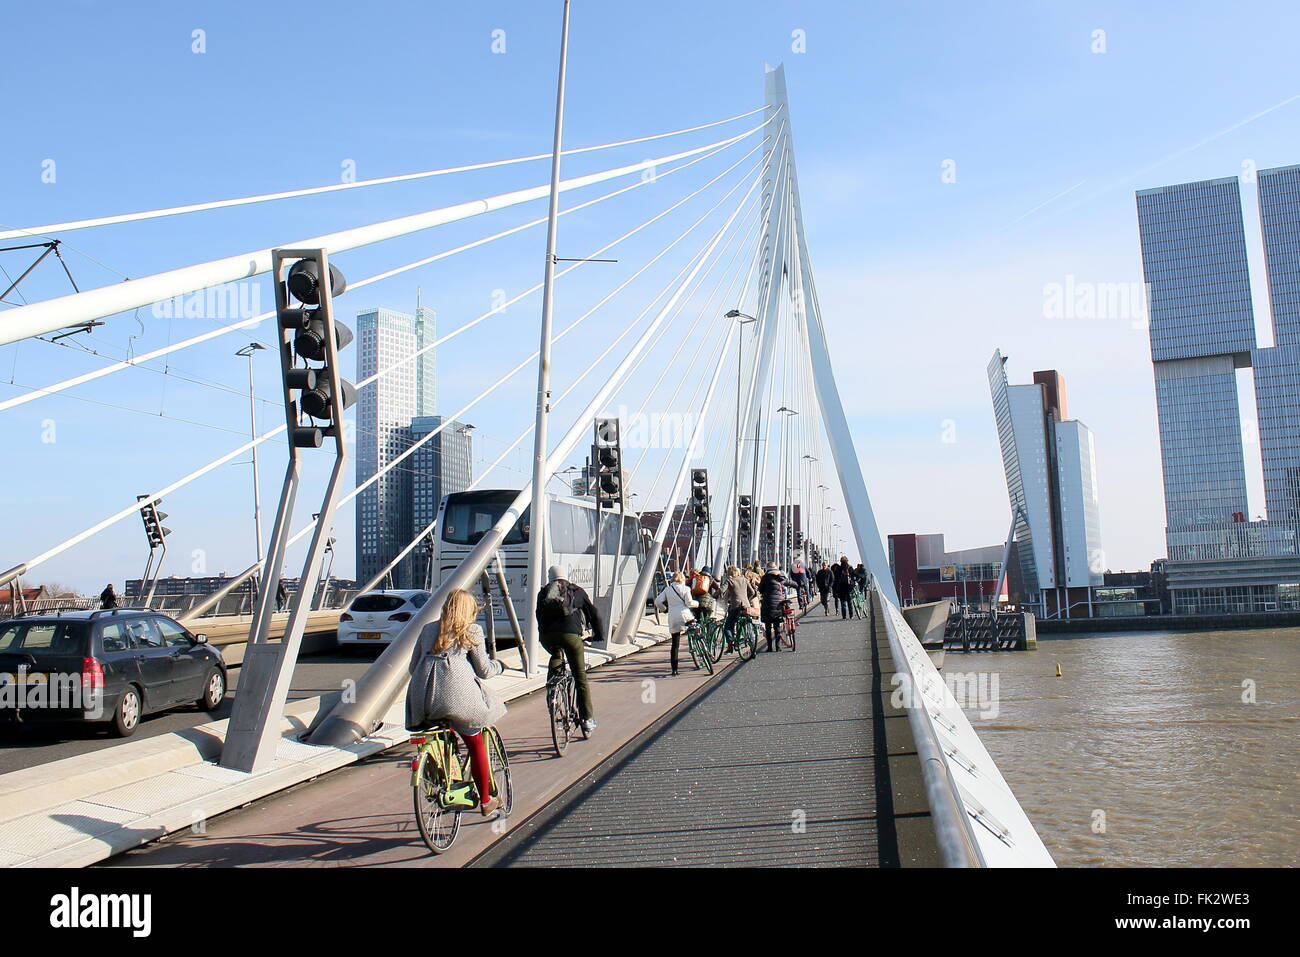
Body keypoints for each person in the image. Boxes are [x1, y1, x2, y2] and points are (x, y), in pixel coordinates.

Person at [404, 588, 507, 818]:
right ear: (469, 611)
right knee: (475, 742)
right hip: (456, 699)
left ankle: (442, 778)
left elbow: (413, 667)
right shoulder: (472, 630)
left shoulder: (428, 629)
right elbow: (484, 670)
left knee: (442, 732)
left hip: (423, 698)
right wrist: (501, 666)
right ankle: (486, 800)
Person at [535, 565, 603, 733]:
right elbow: (594, 614)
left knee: (556, 654)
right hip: (571, 636)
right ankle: (587, 719)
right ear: (566, 576)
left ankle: (552, 694)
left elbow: (538, 614)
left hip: (547, 636)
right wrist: (598, 635)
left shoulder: (543, 593)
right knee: (580, 678)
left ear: (549, 577)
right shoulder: (576, 591)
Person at [654, 571, 697, 676]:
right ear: (683, 579)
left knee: (675, 644)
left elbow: (657, 601)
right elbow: (689, 603)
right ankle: (699, 647)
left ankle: (674, 669)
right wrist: (697, 604)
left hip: (673, 617)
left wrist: (664, 609)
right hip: (685, 616)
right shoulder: (686, 589)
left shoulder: (668, 590)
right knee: (695, 628)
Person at [718, 564, 759, 650]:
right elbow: (752, 592)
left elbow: (722, 590)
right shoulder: (744, 579)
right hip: (746, 606)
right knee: (744, 620)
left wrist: (714, 596)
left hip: (735, 606)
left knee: (728, 626)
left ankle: (730, 641)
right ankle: (751, 642)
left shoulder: (730, 580)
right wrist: (746, 599)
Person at [758, 563, 791, 652]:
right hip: (778, 605)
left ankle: (769, 647)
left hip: (767, 604)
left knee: (768, 627)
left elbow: (760, 589)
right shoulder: (781, 577)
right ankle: (778, 647)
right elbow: (789, 583)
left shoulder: (765, 578)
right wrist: (797, 585)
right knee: (777, 627)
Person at [832, 556, 854, 620]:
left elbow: (835, 578)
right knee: (850, 602)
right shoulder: (850, 568)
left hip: (841, 588)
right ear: (847, 561)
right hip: (849, 587)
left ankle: (844, 616)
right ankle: (851, 615)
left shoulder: (838, 568)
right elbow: (853, 576)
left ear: (841, 561)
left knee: (843, 603)